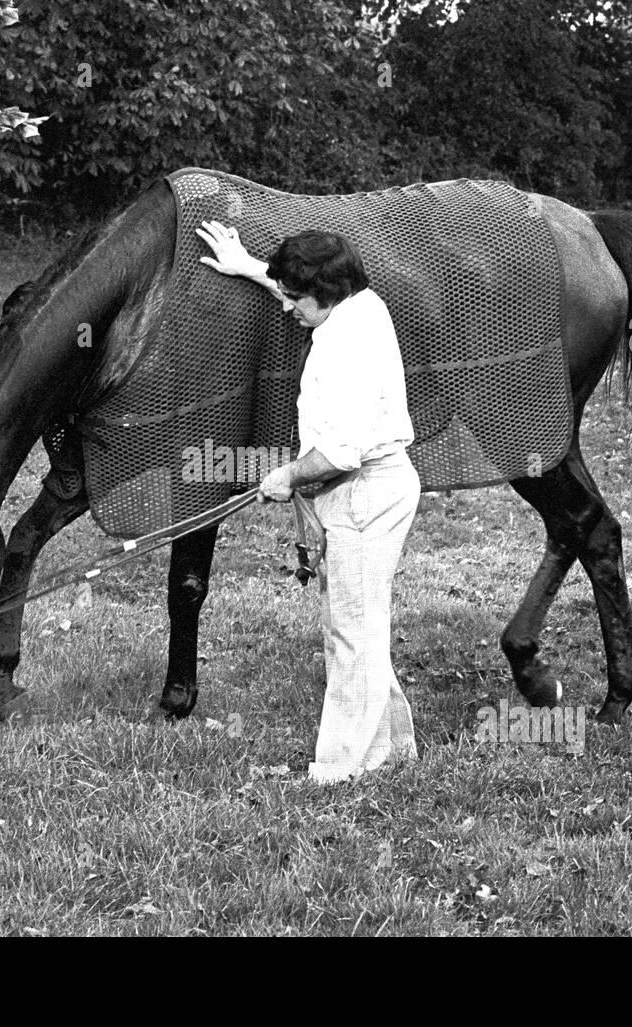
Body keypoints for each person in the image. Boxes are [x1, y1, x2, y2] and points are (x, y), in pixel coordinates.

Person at [196, 220, 419, 784]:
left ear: (326, 296)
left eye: (295, 299)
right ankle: (392, 750)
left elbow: (341, 452)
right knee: (360, 624)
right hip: (371, 487)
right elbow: (310, 302)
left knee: (351, 631)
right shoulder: (362, 305)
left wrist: (286, 476)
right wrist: (251, 267)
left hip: (364, 490)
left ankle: (344, 769)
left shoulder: (345, 341)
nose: (288, 308)